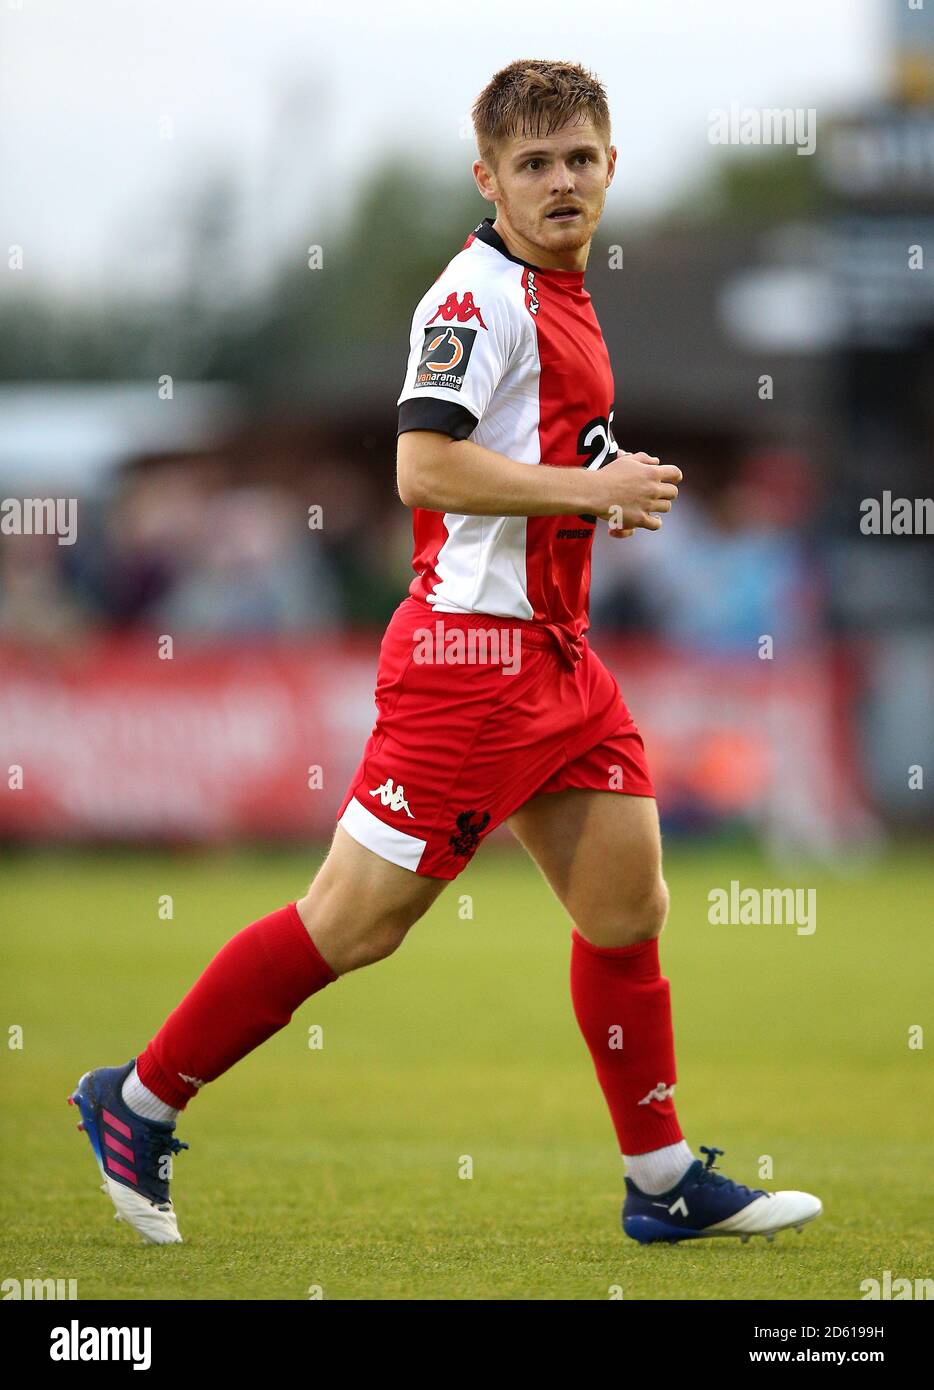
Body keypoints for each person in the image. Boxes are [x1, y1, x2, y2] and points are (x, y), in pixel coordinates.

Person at [69, 59, 821, 1248]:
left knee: (626, 908)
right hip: (471, 665)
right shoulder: (475, 297)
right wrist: (590, 487)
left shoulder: (564, 290)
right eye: (534, 165)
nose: (561, 180)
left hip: (560, 662)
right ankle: (138, 1099)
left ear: (611, 165)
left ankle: (663, 1178)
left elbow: (528, 455)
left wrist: (594, 490)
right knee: (353, 924)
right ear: (490, 180)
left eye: (579, 158)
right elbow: (422, 467)